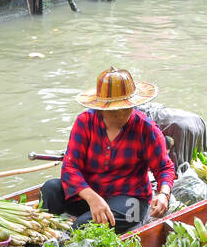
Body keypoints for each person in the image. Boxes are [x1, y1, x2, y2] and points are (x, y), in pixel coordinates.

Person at [40, 67, 176, 232]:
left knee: (82, 227)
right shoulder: (85, 123)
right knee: (50, 189)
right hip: (91, 195)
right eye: (114, 110)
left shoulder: (146, 129)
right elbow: (70, 168)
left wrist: (164, 194)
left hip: (130, 201)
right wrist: (92, 198)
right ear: (102, 108)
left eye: (125, 108)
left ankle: (80, 225)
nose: (120, 115)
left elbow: (164, 167)